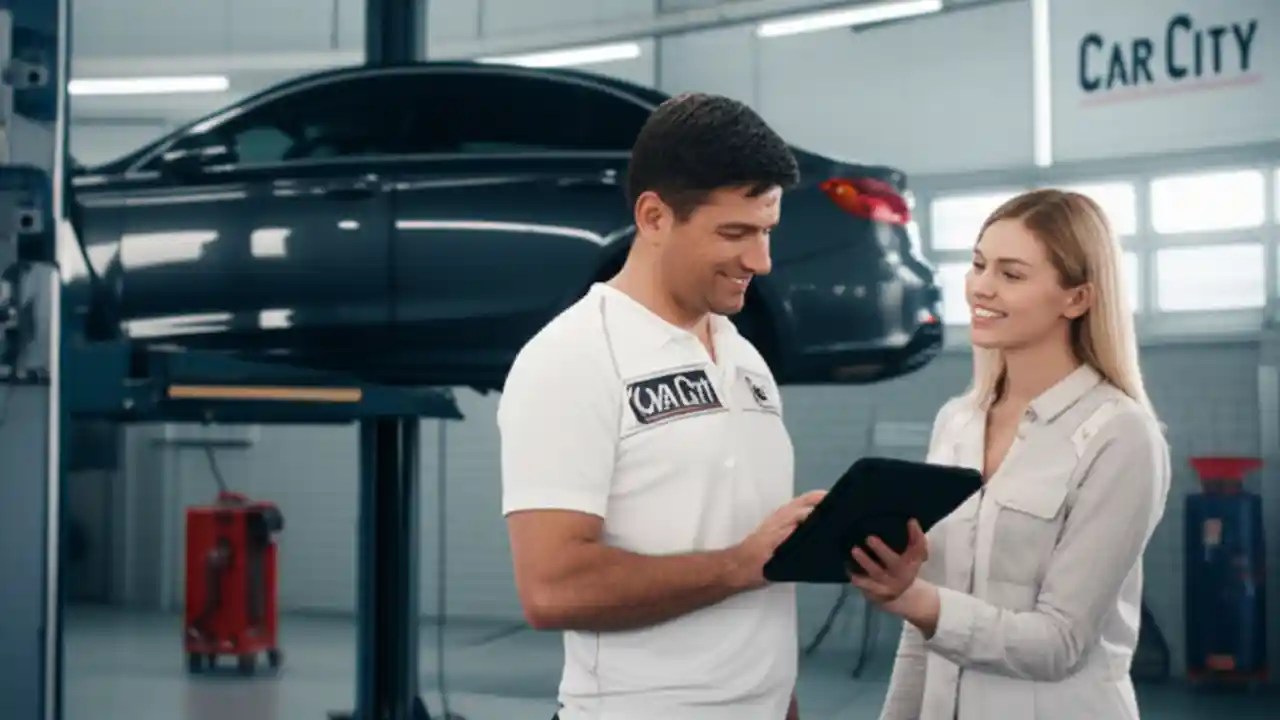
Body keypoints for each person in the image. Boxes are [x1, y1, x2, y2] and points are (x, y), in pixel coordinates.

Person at [497, 92, 826, 720]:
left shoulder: (744, 358)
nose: (760, 261)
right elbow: (551, 588)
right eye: (734, 233)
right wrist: (737, 565)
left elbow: (755, 572)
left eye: (766, 232)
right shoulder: (572, 357)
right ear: (654, 217)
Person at [847, 189, 1171, 720]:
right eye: (978, 265)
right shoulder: (957, 422)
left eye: (1011, 274)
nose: (982, 287)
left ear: (1077, 299)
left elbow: (1060, 642)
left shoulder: (1121, 436)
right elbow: (923, 631)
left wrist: (913, 600)